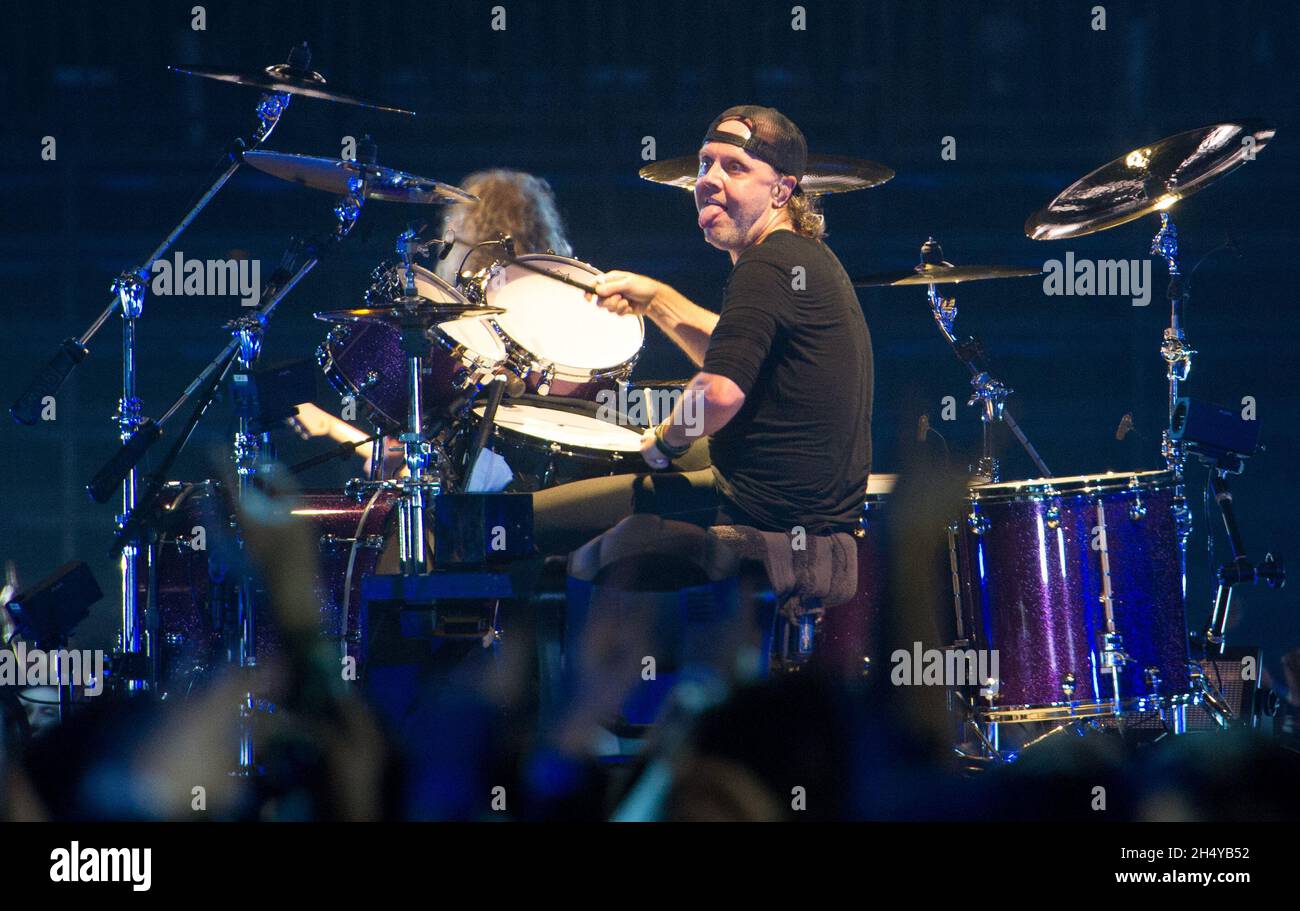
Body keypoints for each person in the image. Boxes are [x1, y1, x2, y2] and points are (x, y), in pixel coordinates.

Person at [532, 105, 873, 553]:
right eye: (705, 164)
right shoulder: (802, 257)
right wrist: (655, 300)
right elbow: (737, 352)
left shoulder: (767, 263)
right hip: (801, 507)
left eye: (735, 167)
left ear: (782, 189)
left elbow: (719, 392)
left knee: (525, 522)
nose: (708, 180)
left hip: (758, 510)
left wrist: (664, 443)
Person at [291, 169, 574, 465]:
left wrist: (333, 429)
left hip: (474, 487)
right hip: (549, 469)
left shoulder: (460, 322)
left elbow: (404, 463)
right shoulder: (553, 308)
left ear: (462, 227)